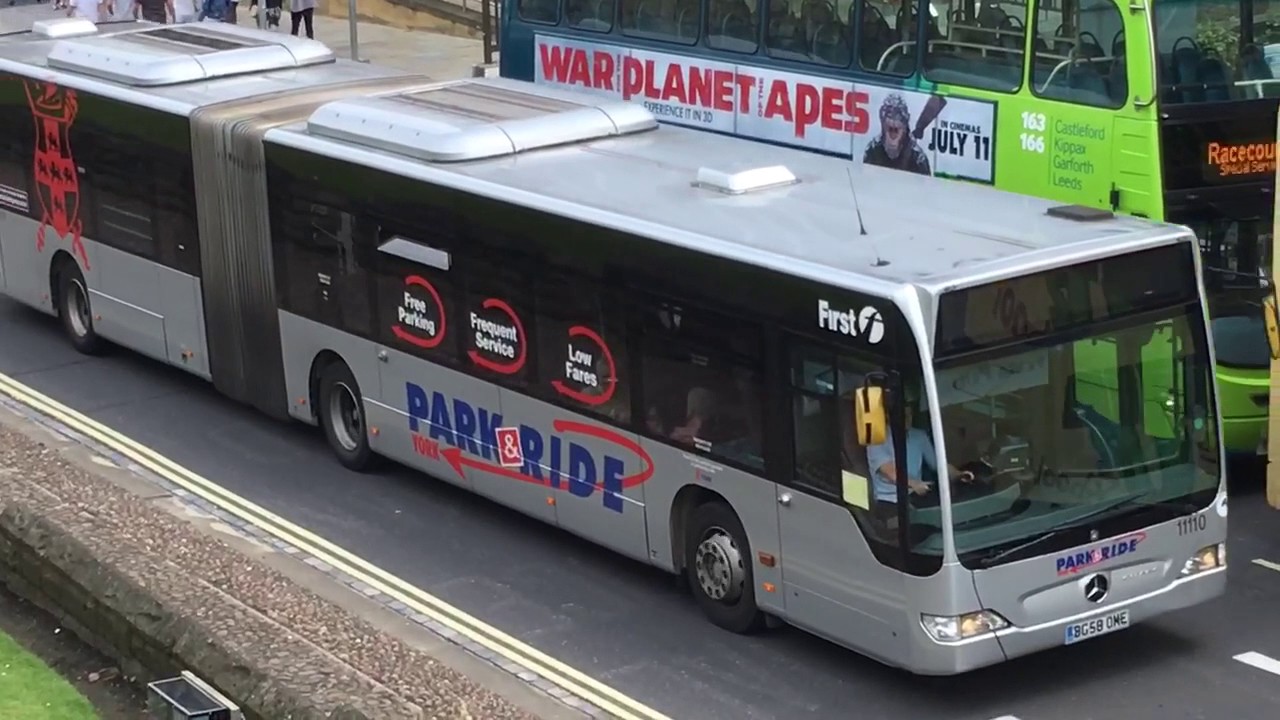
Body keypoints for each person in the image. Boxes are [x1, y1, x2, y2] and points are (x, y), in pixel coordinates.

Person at [865, 391, 973, 503]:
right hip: (888, 500)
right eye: (902, 415)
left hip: (913, 495)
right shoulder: (877, 439)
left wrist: (958, 474)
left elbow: (938, 464)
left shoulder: (919, 436)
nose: (907, 419)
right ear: (889, 416)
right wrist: (914, 484)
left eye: (909, 415)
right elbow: (890, 472)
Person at [863, 92, 932, 176]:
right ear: (882, 121)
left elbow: (926, 187)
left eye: (898, 116)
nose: (894, 120)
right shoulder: (873, 150)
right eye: (890, 115)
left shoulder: (918, 158)